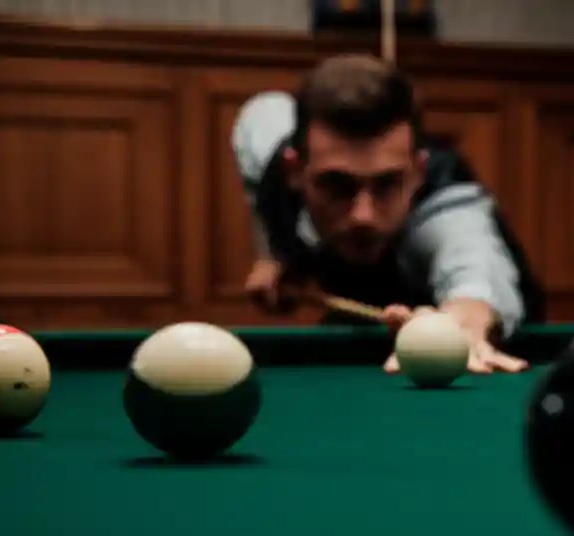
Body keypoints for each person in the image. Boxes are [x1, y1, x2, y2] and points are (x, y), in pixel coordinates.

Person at [231, 54, 545, 373]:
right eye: (337, 186)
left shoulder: (446, 206)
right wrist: (273, 253)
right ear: (294, 169)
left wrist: (459, 327)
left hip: (481, 363)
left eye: (387, 185)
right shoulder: (268, 146)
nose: (363, 216)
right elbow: (258, 113)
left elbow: (474, 271)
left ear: (418, 171)